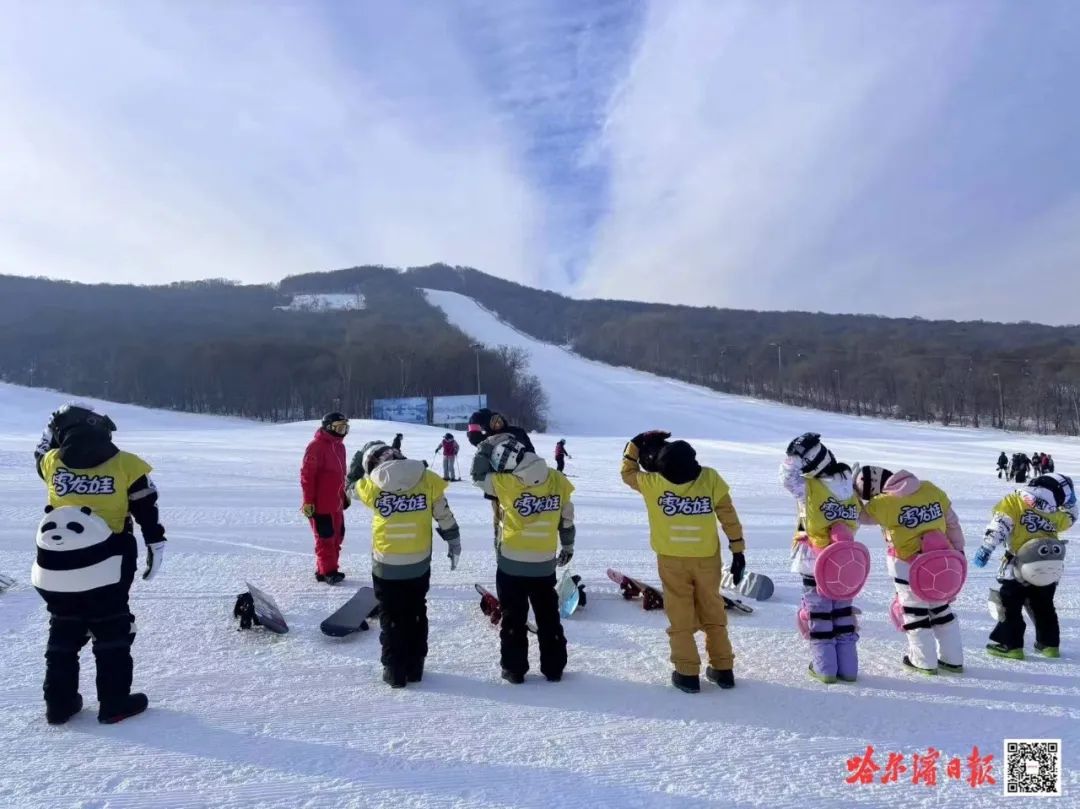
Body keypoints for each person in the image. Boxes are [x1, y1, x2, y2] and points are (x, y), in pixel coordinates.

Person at [31, 403, 166, 724]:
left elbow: (39, 452)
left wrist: (51, 430)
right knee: (111, 626)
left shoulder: (52, 463)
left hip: (54, 564)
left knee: (63, 628)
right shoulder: (127, 465)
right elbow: (146, 508)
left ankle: (59, 704)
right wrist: (155, 541)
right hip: (109, 560)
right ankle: (115, 701)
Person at [621, 430, 745, 693]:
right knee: (713, 610)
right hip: (707, 558)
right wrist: (738, 550)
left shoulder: (654, 483)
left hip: (671, 559)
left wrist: (634, 444)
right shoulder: (709, 478)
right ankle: (723, 669)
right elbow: (728, 516)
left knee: (680, 615)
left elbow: (627, 473)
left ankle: (687, 673)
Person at [353, 440, 461, 687]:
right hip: (418, 561)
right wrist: (454, 541)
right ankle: (415, 666)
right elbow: (444, 514)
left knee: (390, 614)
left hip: (386, 562)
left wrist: (356, 464)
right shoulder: (427, 478)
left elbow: (349, 487)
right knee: (416, 611)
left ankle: (394, 670)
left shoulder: (370, 484)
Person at [474, 434, 575, 683]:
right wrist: (568, 545)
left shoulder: (505, 483)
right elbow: (567, 517)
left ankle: (514, 668)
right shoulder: (557, 479)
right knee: (548, 616)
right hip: (543, 563)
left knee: (513, 617)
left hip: (511, 563)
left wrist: (484, 447)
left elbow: (477, 476)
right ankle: (554, 668)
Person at [854, 465, 965, 674]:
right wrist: (958, 549)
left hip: (907, 564)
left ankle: (923, 661)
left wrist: (853, 494)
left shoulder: (883, 503)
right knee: (941, 608)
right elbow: (952, 522)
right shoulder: (930, 488)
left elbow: (858, 515)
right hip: (941, 559)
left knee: (915, 612)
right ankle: (953, 659)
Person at [780, 433, 862, 684]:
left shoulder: (810, 488)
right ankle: (848, 670)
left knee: (821, 616)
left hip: (815, 561)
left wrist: (793, 456)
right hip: (847, 563)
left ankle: (825, 669)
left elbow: (787, 478)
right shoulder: (848, 484)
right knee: (843, 616)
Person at [974, 473, 1076, 659]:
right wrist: (1071, 504)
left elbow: (999, 525)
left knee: (1009, 605)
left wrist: (987, 547)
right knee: (1044, 605)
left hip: (1018, 565)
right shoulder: (1055, 510)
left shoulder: (1013, 501)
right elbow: (1070, 518)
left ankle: (1011, 645)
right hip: (1048, 566)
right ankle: (1049, 645)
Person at [468, 408, 535, 541]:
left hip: (520, 479)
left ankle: (523, 542)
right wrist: (475, 418)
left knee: (521, 512)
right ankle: (499, 543)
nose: (498, 423)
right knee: (499, 516)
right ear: (489, 427)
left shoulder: (517, 431)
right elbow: (473, 436)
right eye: (493, 423)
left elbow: (531, 451)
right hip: (497, 484)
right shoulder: (487, 439)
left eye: (498, 419)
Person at [301, 412, 350, 585]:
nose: (343, 431)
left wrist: (343, 495)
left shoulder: (340, 447)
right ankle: (328, 571)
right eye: (339, 427)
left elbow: (339, 475)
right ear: (329, 427)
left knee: (338, 535)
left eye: (345, 427)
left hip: (335, 503)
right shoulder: (316, 446)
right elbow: (307, 476)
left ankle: (325, 568)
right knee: (326, 537)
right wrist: (308, 501)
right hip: (320, 504)